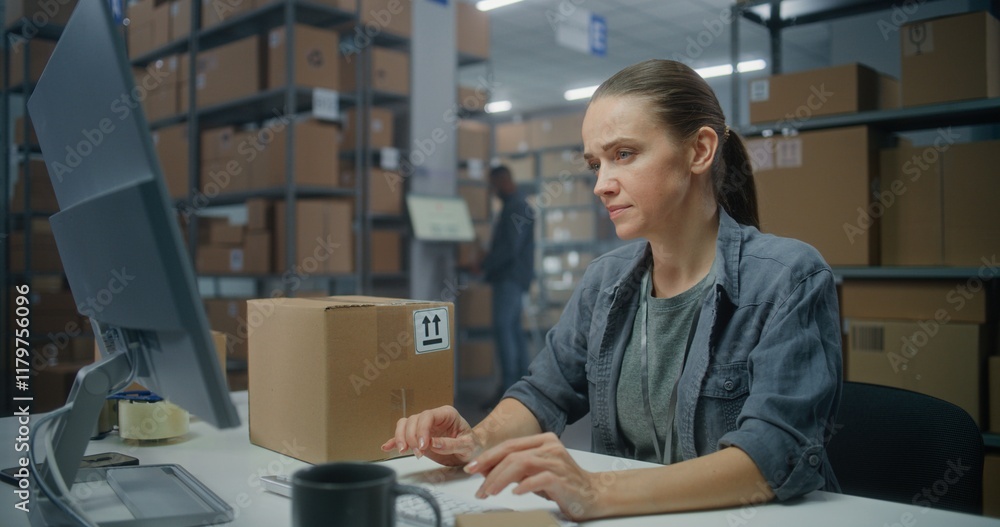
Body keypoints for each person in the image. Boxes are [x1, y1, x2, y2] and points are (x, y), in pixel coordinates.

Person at [382, 59, 842, 521]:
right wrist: (475, 441)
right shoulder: (606, 281)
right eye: (594, 164)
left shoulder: (788, 279)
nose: (601, 185)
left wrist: (597, 491)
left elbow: (773, 453)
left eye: (623, 154)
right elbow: (544, 392)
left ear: (700, 151)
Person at [479, 165, 535, 395]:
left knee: (504, 329)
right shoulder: (516, 205)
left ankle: (509, 389)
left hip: (510, 278)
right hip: (514, 278)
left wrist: (484, 264)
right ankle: (521, 388)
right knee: (513, 330)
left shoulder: (517, 207)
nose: (493, 191)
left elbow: (510, 248)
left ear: (503, 181)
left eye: (493, 185)